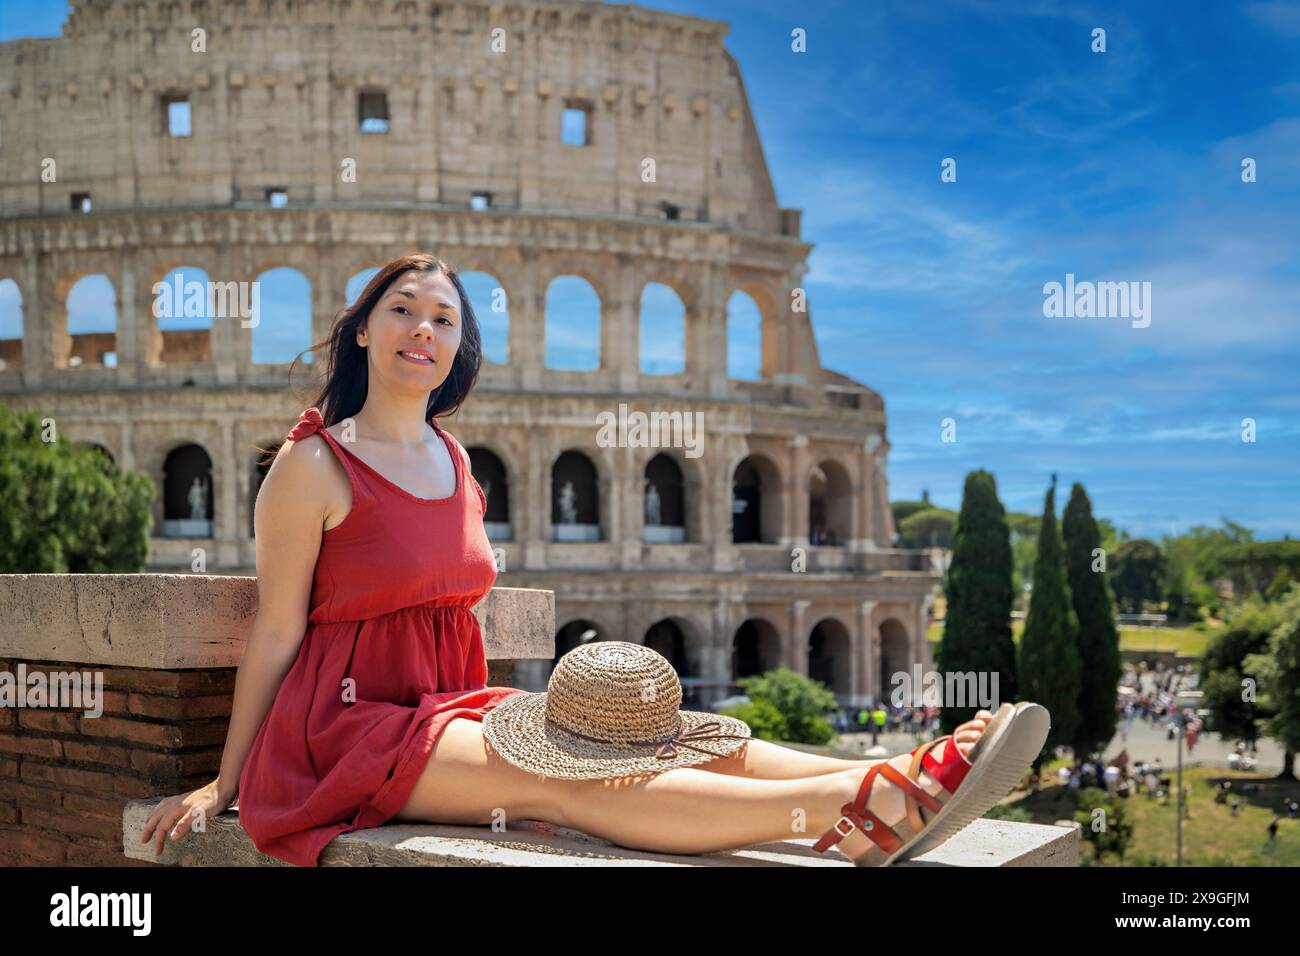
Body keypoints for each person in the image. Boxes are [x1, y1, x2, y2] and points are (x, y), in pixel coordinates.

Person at [136, 253, 1026, 867]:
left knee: (660, 732)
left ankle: (902, 774)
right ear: (361, 331)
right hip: (344, 731)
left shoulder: (454, 462)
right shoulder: (312, 463)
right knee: (573, 780)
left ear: (457, 350)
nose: (422, 327)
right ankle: (863, 801)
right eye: (400, 309)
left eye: (443, 318)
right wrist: (229, 775)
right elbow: (279, 628)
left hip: (446, 707)